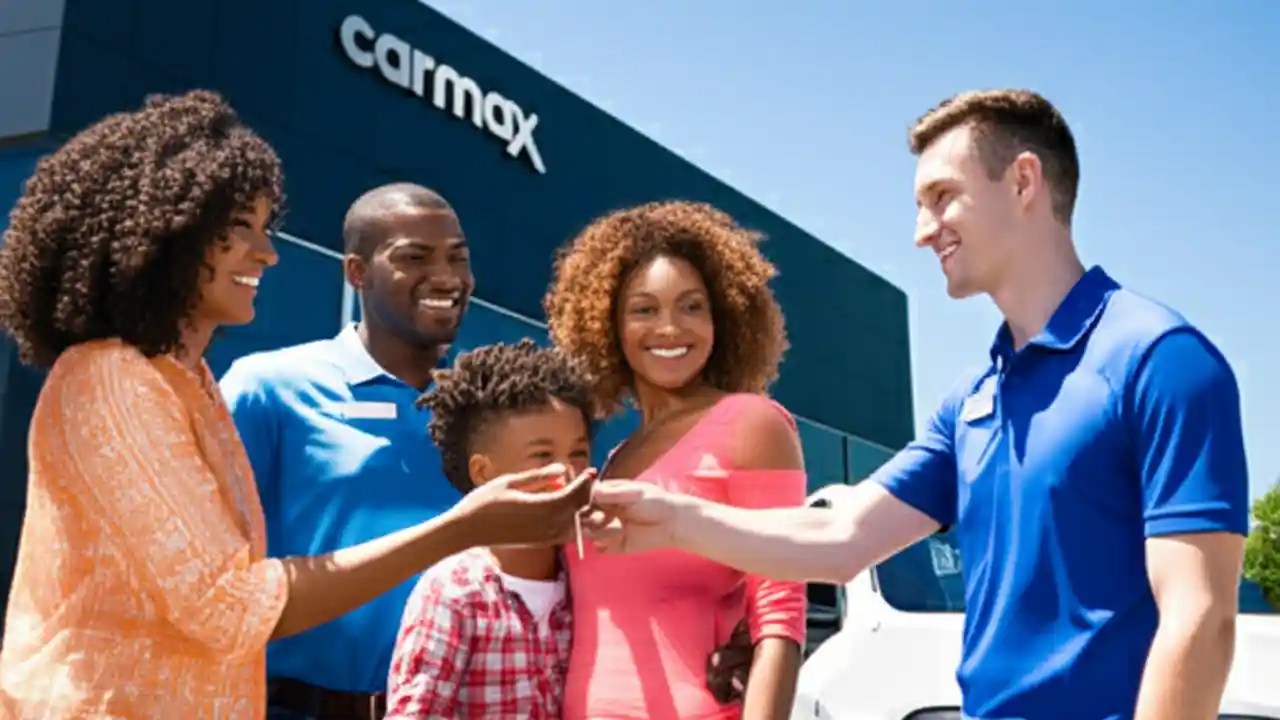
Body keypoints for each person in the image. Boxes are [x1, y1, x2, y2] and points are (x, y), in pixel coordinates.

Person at [587, 89, 1250, 720]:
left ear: (1023, 182)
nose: (921, 232)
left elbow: (1199, 617)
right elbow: (841, 538)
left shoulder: (1160, 359)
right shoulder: (972, 400)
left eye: (942, 198)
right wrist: (674, 519)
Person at [0, 90, 592, 720]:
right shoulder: (118, 381)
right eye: (237, 232)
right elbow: (230, 604)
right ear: (163, 234)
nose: (268, 253)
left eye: (265, 228)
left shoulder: (189, 385)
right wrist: (462, 527)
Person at [217, 181, 477, 719]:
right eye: (415, 257)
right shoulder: (268, 387)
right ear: (357, 272)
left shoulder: (487, 410)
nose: (447, 277)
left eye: (458, 258)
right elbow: (213, 581)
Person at [544, 200, 808, 719]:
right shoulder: (615, 458)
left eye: (692, 306)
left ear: (724, 317)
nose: (670, 327)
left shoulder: (753, 424)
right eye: (644, 309)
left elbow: (780, 613)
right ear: (609, 324)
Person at [385, 339, 594, 718]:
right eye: (542, 456)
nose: (568, 472)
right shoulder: (454, 592)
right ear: (483, 472)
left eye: (578, 453)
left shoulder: (587, 581)